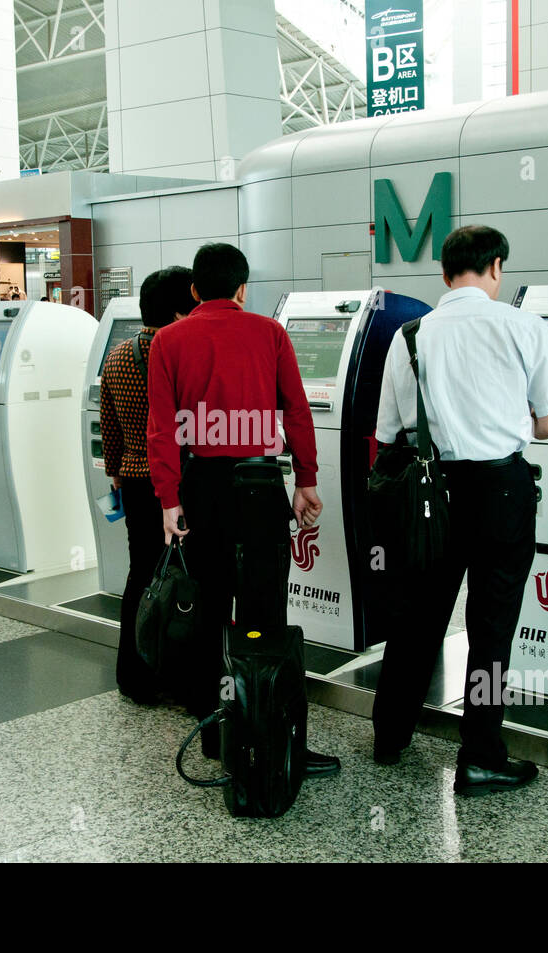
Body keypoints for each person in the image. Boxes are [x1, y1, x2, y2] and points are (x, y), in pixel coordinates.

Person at [370, 225, 548, 797]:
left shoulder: (409, 336)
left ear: (443, 275)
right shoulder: (522, 326)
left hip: (429, 494)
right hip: (501, 494)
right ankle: (481, 757)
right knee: (490, 631)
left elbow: (390, 431)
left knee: (417, 619)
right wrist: (509, 421)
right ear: (496, 267)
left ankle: (390, 734)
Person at [146, 242, 337, 775]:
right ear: (243, 288)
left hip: (202, 486)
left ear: (193, 290)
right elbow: (297, 411)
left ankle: (217, 735)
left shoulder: (168, 340)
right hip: (259, 484)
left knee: (208, 613)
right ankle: (271, 734)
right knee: (264, 614)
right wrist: (306, 481)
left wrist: (169, 500)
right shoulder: (270, 334)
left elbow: (161, 430)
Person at [100, 266, 196, 703]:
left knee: (143, 576)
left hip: (137, 483)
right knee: (187, 580)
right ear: (182, 309)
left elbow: (110, 429)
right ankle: (181, 678)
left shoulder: (117, 356)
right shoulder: (181, 350)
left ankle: (134, 677)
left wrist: (116, 475)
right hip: (177, 482)